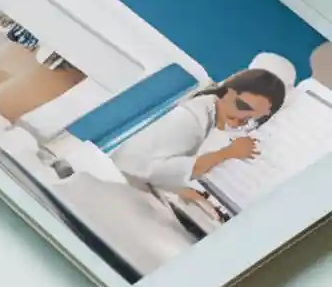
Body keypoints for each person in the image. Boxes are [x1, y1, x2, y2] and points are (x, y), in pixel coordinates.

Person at [110, 69, 287, 199]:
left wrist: (181, 190)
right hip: (117, 184)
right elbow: (155, 169)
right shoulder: (191, 117)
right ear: (228, 91)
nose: (240, 119)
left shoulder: (208, 112)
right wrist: (227, 153)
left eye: (251, 119)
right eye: (242, 106)